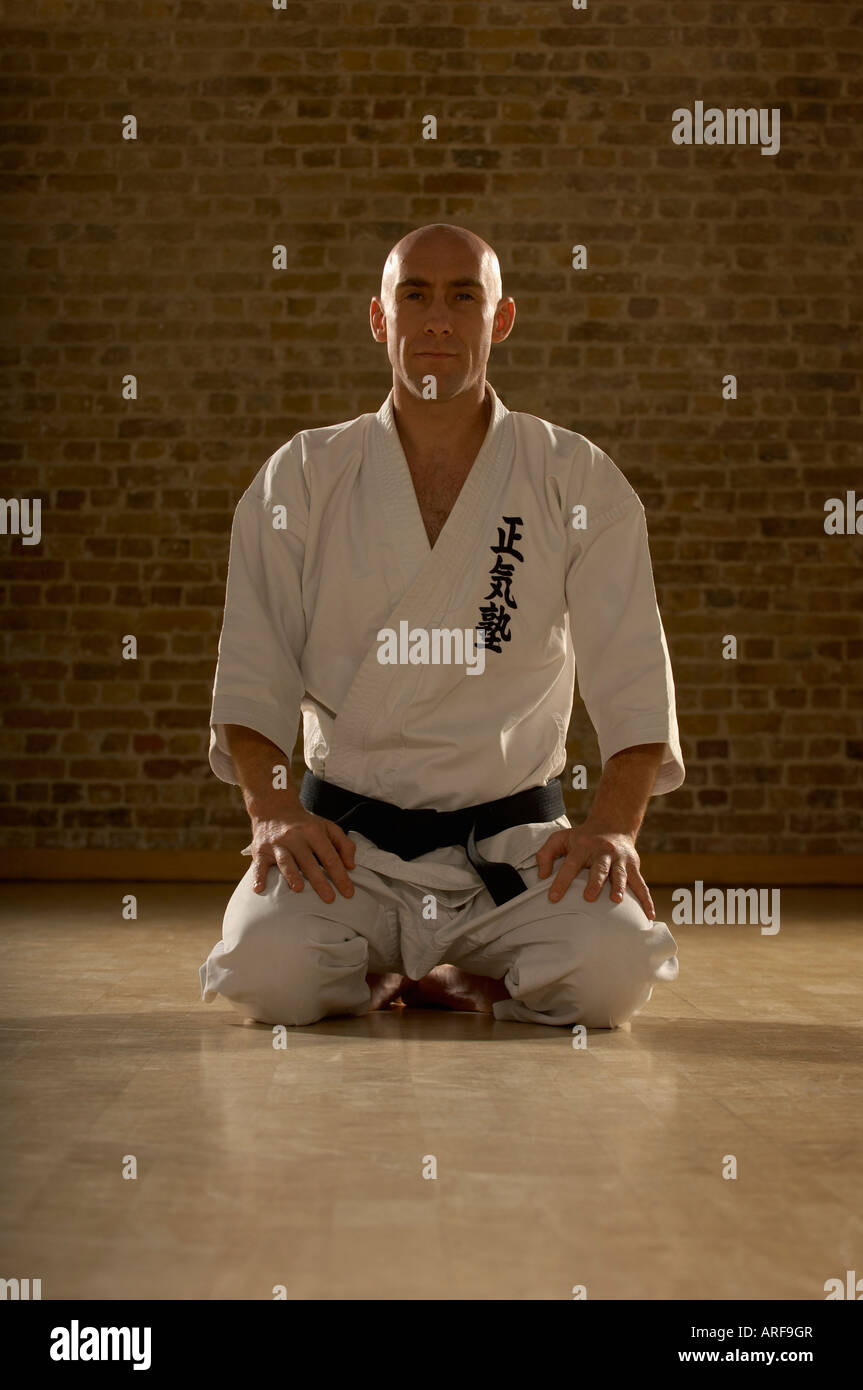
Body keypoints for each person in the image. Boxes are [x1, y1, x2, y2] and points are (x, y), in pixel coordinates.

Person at [198, 222, 684, 1028]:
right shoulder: (306, 474)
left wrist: (611, 826)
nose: (437, 317)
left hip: (513, 850)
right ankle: (391, 972)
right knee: (267, 970)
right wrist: (275, 812)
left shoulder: (572, 475)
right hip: (349, 850)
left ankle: (466, 970)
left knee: (613, 971)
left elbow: (632, 667)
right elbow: (255, 666)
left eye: (464, 296)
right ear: (378, 319)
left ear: (500, 320)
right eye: (413, 295)